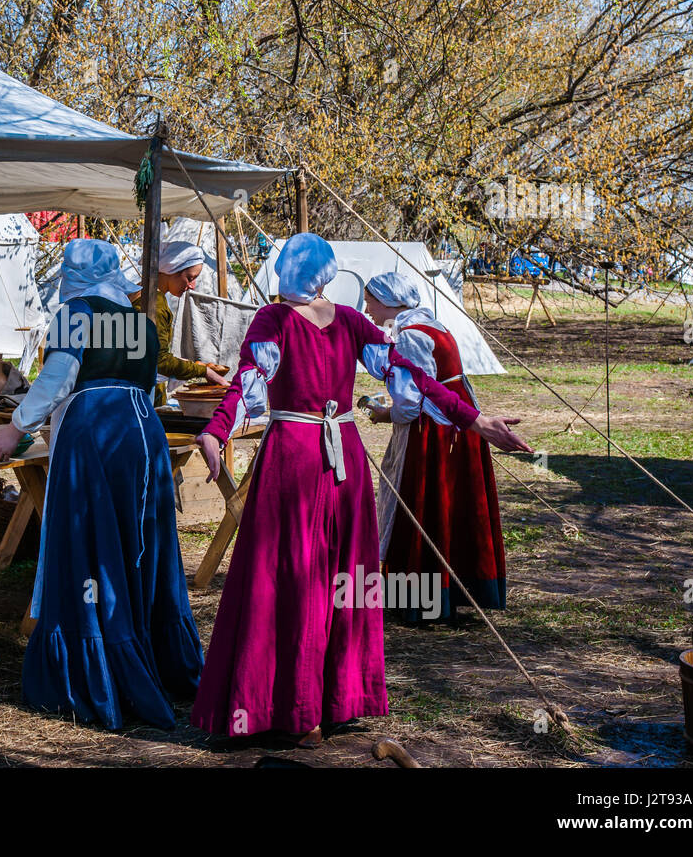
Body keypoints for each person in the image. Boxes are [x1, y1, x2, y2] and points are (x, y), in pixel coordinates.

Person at [189, 234, 531, 744]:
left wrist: (474, 420)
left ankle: (305, 707)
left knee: (301, 574)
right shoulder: (323, 320)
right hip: (327, 453)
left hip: (305, 457)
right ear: (327, 273)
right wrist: (474, 419)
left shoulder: (293, 320)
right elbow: (407, 377)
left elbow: (251, 384)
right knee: (320, 574)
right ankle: (318, 705)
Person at [0, 239, 203, 730]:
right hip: (142, 432)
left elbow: (58, 378)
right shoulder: (140, 321)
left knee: (90, 543)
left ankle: (99, 667)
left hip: (94, 432)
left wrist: (15, 426)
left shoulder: (76, 312)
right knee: (137, 544)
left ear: (74, 273)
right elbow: (146, 386)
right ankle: (152, 656)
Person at [362, 271, 506, 622]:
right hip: (459, 430)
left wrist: (383, 414)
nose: (367, 309)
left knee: (425, 507)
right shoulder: (435, 325)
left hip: (434, 437)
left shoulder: (410, 336)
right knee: (454, 510)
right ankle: (459, 588)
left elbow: (410, 403)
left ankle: (421, 599)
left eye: (370, 302)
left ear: (388, 301)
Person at [129, 240, 229, 403]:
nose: (192, 286)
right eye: (190, 278)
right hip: (142, 393)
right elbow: (158, 360)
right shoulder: (155, 304)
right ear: (172, 270)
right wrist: (204, 372)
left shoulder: (137, 292)